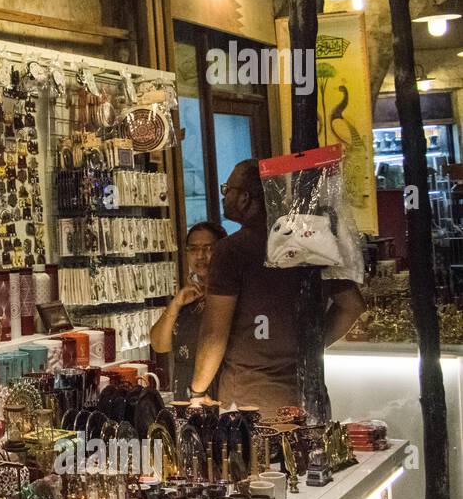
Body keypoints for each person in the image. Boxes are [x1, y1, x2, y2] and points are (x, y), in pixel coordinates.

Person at [187, 159, 366, 418]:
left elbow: (215, 333)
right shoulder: (312, 243)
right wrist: (308, 347)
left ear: (245, 198)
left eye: (228, 190)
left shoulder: (232, 250)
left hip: (251, 399)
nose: (224, 197)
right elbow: (353, 306)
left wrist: (197, 391)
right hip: (310, 397)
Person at [149, 221, 227, 400]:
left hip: (216, 393)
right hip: (185, 391)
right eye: (193, 249)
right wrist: (175, 304)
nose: (200, 255)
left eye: (209, 248)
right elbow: (159, 345)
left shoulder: (227, 298)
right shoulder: (189, 298)